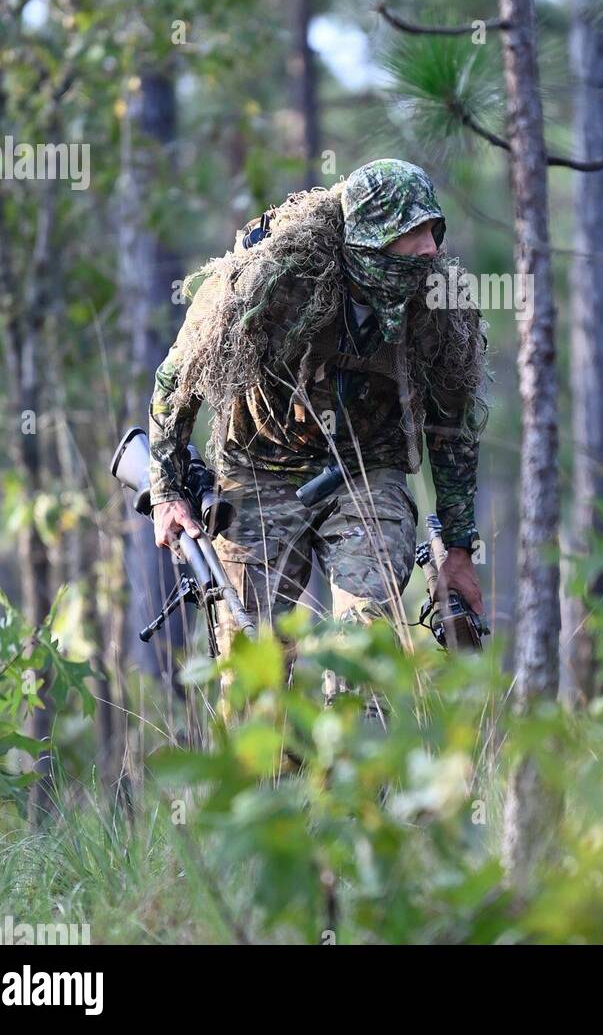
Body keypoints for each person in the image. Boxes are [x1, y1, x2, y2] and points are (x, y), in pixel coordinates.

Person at [146, 158, 487, 681]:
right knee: (252, 664)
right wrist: (167, 490)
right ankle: (270, 763)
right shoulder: (271, 283)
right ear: (369, 240)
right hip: (260, 468)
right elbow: (179, 377)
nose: (429, 248)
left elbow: (451, 428)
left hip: (367, 471)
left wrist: (458, 549)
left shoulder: (436, 304)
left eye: (432, 229)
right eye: (411, 232)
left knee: (364, 650)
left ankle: (352, 757)